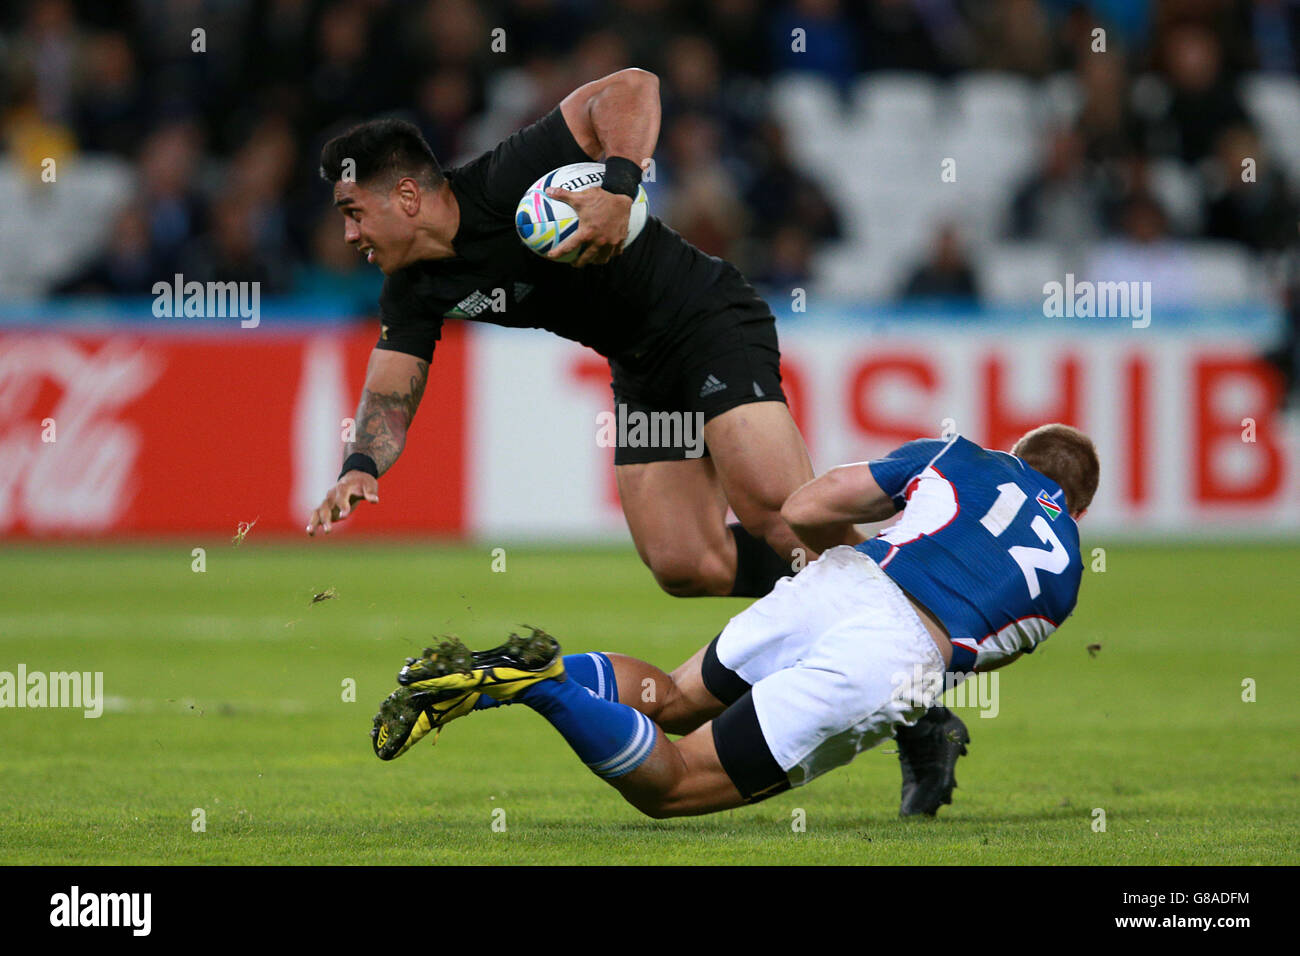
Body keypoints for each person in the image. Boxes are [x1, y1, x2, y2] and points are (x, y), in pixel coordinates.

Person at [310, 67, 959, 814]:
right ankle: (887, 643)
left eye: (353, 211)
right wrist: (360, 464)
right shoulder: (413, 286)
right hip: (645, 372)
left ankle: (915, 679)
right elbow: (392, 387)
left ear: (407, 196)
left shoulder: (504, 177)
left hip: (709, 323)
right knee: (686, 563)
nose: (350, 233)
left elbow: (633, 87)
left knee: (780, 513)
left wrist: (620, 185)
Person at [371, 424, 1100, 819]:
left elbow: (809, 507)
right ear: (1079, 509)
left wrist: (861, 544)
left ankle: (507, 678)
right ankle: (540, 684)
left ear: (1016, 455)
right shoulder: (1065, 574)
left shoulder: (960, 456)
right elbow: (973, 654)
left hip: (845, 578)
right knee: (675, 786)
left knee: (673, 699)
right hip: (901, 653)